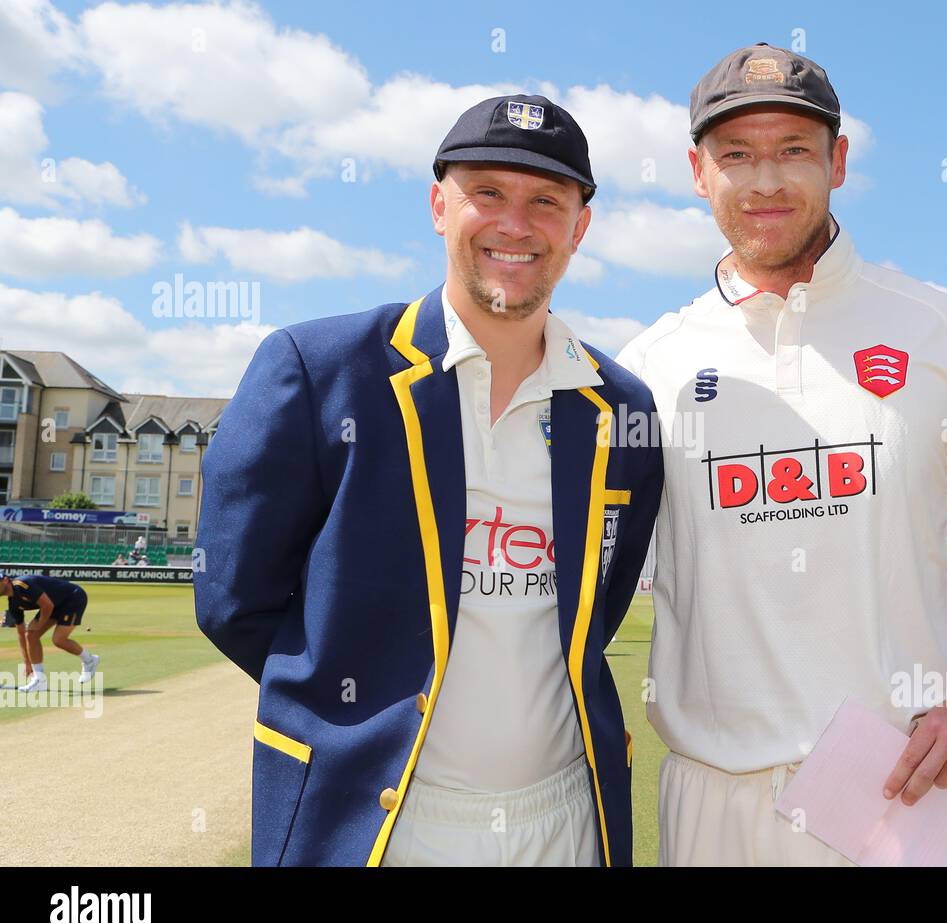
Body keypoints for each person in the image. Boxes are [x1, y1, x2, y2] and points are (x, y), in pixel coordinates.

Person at [617, 43, 947, 867]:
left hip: (906, 785)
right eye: (736, 155)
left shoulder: (937, 326)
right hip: (718, 796)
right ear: (696, 171)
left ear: (840, 161)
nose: (766, 182)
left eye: (794, 151)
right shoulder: (650, 365)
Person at [194, 94, 662, 867]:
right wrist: (353, 695)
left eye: (546, 200)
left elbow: (600, 609)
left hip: (566, 819)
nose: (516, 223)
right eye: (488, 192)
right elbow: (233, 600)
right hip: (381, 818)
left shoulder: (623, 407)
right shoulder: (317, 370)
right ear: (439, 205)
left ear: (579, 227)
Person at [0, 573, 99, 692]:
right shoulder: (13, 605)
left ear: (5, 580)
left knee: (58, 640)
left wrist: (39, 624)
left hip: (72, 597)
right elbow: (21, 633)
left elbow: (47, 605)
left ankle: (90, 660)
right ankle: (39, 680)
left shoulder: (22, 585)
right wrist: (27, 662)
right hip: (54, 604)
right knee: (30, 635)